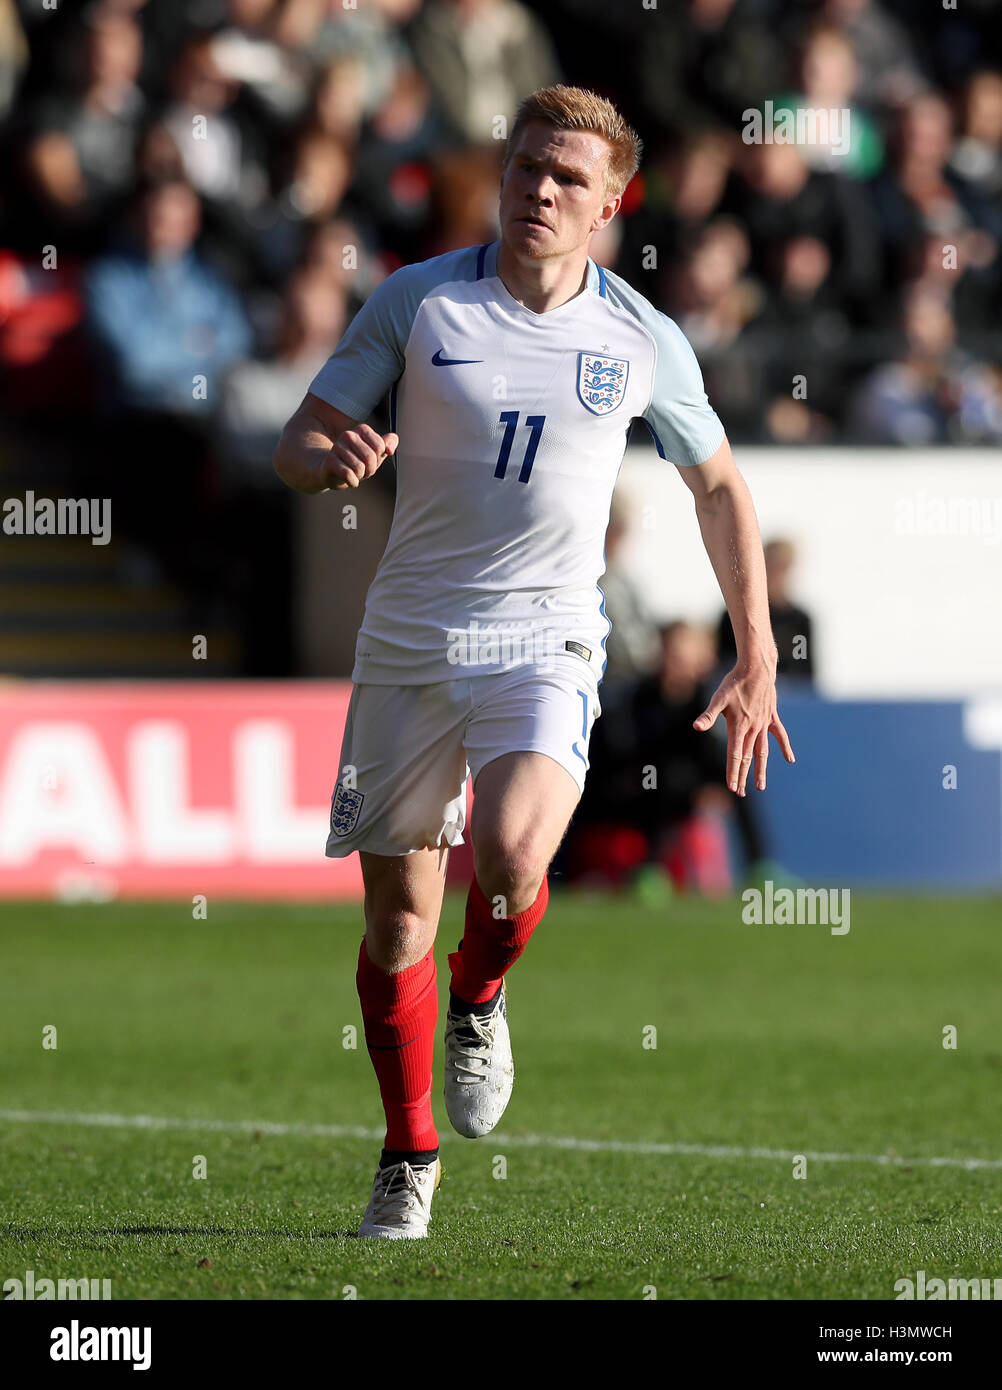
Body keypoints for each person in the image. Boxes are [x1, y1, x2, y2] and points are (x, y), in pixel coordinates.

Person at [273, 84, 795, 1240]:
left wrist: (756, 644)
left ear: (610, 206)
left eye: (568, 178)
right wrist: (327, 459)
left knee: (510, 857)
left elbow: (719, 486)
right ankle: (408, 1154)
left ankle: (482, 992)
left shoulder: (640, 337)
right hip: (410, 641)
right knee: (396, 924)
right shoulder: (419, 301)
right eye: (525, 168)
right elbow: (298, 440)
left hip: (547, 639)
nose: (540, 192)